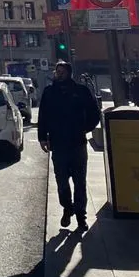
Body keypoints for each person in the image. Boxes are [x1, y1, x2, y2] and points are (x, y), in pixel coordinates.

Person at [37, 61, 101, 233]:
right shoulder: (50, 92)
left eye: (62, 71)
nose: (59, 74)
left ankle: (81, 216)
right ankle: (67, 207)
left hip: (77, 143)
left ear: (70, 73)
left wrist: (83, 128)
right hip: (58, 144)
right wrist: (42, 138)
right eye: (57, 71)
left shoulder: (81, 91)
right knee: (61, 181)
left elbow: (95, 114)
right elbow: (43, 116)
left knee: (80, 181)